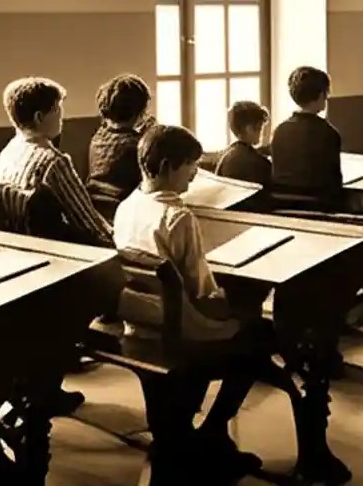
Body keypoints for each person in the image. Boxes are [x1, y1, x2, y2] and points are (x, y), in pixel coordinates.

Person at [113, 124, 275, 480]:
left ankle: (183, 432)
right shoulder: (179, 218)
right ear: (168, 166)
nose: (194, 174)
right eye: (190, 165)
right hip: (179, 330)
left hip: (138, 322)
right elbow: (203, 294)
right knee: (259, 336)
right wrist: (237, 306)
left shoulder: (127, 206)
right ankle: (214, 430)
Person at [0, 77, 114, 248]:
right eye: (57, 108)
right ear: (39, 117)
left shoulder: (7, 153)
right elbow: (87, 223)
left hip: (18, 248)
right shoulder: (53, 162)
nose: (62, 115)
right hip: (55, 250)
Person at [270, 66, 344, 210]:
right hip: (318, 204)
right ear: (322, 94)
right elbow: (334, 181)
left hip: (282, 204)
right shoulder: (328, 133)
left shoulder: (280, 130)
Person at [86, 74, 156, 207]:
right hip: (125, 209)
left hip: (96, 206)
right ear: (141, 110)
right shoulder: (139, 146)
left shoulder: (97, 138)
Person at [214, 101, 272, 186]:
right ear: (249, 129)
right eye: (260, 127)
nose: (262, 133)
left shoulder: (227, 156)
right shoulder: (258, 162)